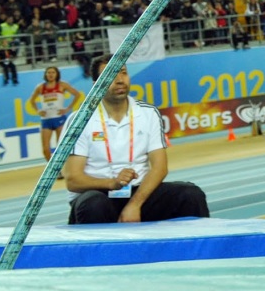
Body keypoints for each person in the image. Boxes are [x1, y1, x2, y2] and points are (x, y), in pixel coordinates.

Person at [63, 54, 210, 224]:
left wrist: (135, 204)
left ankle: (201, 250)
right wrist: (112, 183)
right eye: (111, 75)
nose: (119, 80)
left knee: (190, 194)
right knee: (93, 204)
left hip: (139, 193)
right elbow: (73, 180)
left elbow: (160, 168)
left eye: (123, 73)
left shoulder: (148, 113)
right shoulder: (80, 120)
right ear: (96, 85)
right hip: (98, 193)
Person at [28, 66, 84, 167]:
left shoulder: (62, 85)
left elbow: (77, 94)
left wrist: (68, 108)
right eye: (48, 72)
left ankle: (62, 168)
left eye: (53, 72)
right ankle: (53, 168)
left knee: (61, 147)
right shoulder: (40, 87)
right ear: (45, 74)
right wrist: (38, 111)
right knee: (45, 149)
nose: (50, 74)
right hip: (46, 120)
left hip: (59, 119)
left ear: (57, 74)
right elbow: (32, 100)